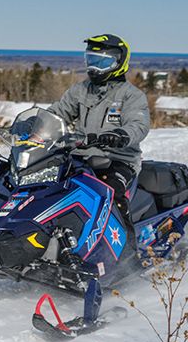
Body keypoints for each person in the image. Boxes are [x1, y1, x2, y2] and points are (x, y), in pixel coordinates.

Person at [48, 34, 150, 218]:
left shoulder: (131, 95)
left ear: (119, 63)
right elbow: (58, 113)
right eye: (91, 61)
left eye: (102, 63)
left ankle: (127, 245)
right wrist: (34, 122)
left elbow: (138, 124)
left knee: (111, 196)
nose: (94, 68)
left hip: (117, 160)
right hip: (78, 157)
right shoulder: (80, 90)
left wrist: (121, 135)